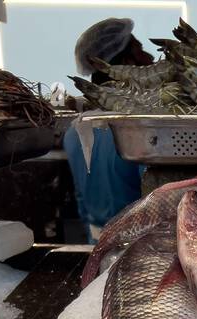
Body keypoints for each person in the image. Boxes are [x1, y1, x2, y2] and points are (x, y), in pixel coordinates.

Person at [63, 19, 152, 239]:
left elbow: (81, 201)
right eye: (139, 50)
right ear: (123, 62)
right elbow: (154, 195)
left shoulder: (74, 130)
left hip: (96, 242)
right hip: (140, 243)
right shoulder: (137, 127)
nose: (149, 58)